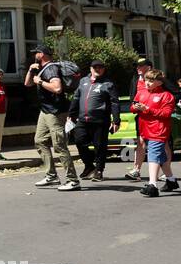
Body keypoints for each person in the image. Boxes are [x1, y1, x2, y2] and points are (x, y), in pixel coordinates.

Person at [25, 45, 79, 191]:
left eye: (36, 53)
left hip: (55, 112)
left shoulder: (51, 69)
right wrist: (31, 70)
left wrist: (40, 82)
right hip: (45, 111)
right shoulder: (41, 68)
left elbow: (57, 88)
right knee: (40, 140)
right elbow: (27, 83)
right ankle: (51, 175)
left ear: (42, 54)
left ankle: (72, 180)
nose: (34, 55)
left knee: (59, 145)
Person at [70, 59, 119, 181]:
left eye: (100, 67)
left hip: (100, 120)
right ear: (91, 69)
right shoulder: (83, 81)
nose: (98, 69)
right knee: (79, 141)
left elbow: (114, 103)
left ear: (104, 69)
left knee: (100, 146)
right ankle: (89, 166)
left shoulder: (108, 84)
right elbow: (76, 97)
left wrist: (116, 120)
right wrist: (71, 113)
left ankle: (99, 170)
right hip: (82, 119)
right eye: (95, 67)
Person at [132, 69, 178, 197]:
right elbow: (133, 106)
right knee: (161, 157)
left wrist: (147, 109)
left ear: (159, 82)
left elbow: (166, 114)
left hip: (159, 130)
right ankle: (171, 180)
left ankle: (152, 185)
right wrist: (135, 108)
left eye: (151, 81)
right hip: (145, 129)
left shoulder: (167, 96)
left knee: (153, 155)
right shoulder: (141, 92)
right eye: (146, 80)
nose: (147, 83)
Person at [124, 57, 153, 180]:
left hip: (155, 116)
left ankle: (165, 171)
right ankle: (136, 170)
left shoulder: (157, 78)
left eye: (141, 66)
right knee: (140, 142)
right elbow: (132, 97)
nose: (138, 68)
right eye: (137, 66)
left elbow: (174, 93)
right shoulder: (135, 79)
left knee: (162, 145)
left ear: (149, 67)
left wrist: (159, 106)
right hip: (141, 116)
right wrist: (135, 106)